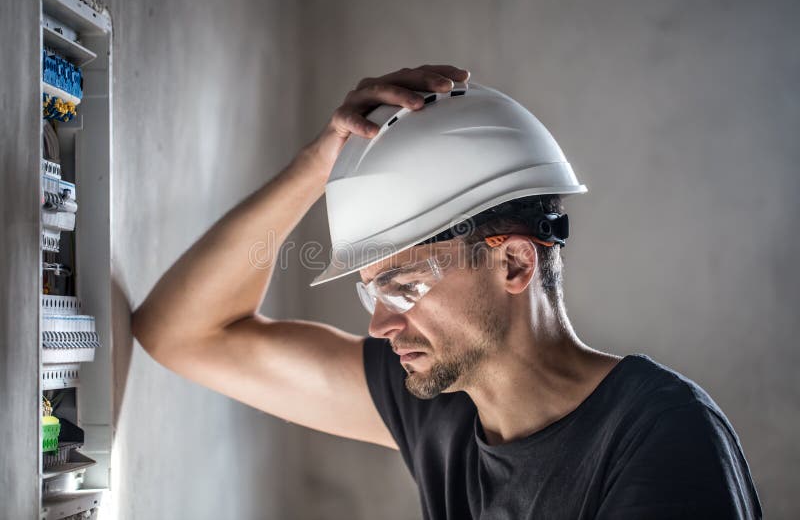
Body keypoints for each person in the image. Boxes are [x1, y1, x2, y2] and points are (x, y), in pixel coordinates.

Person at [132, 64, 762, 519]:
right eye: (371, 291)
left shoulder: (661, 438)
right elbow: (184, 334)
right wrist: (329, 160)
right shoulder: (439, 403)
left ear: (513, 262)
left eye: (404, 286)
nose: (381, 324)